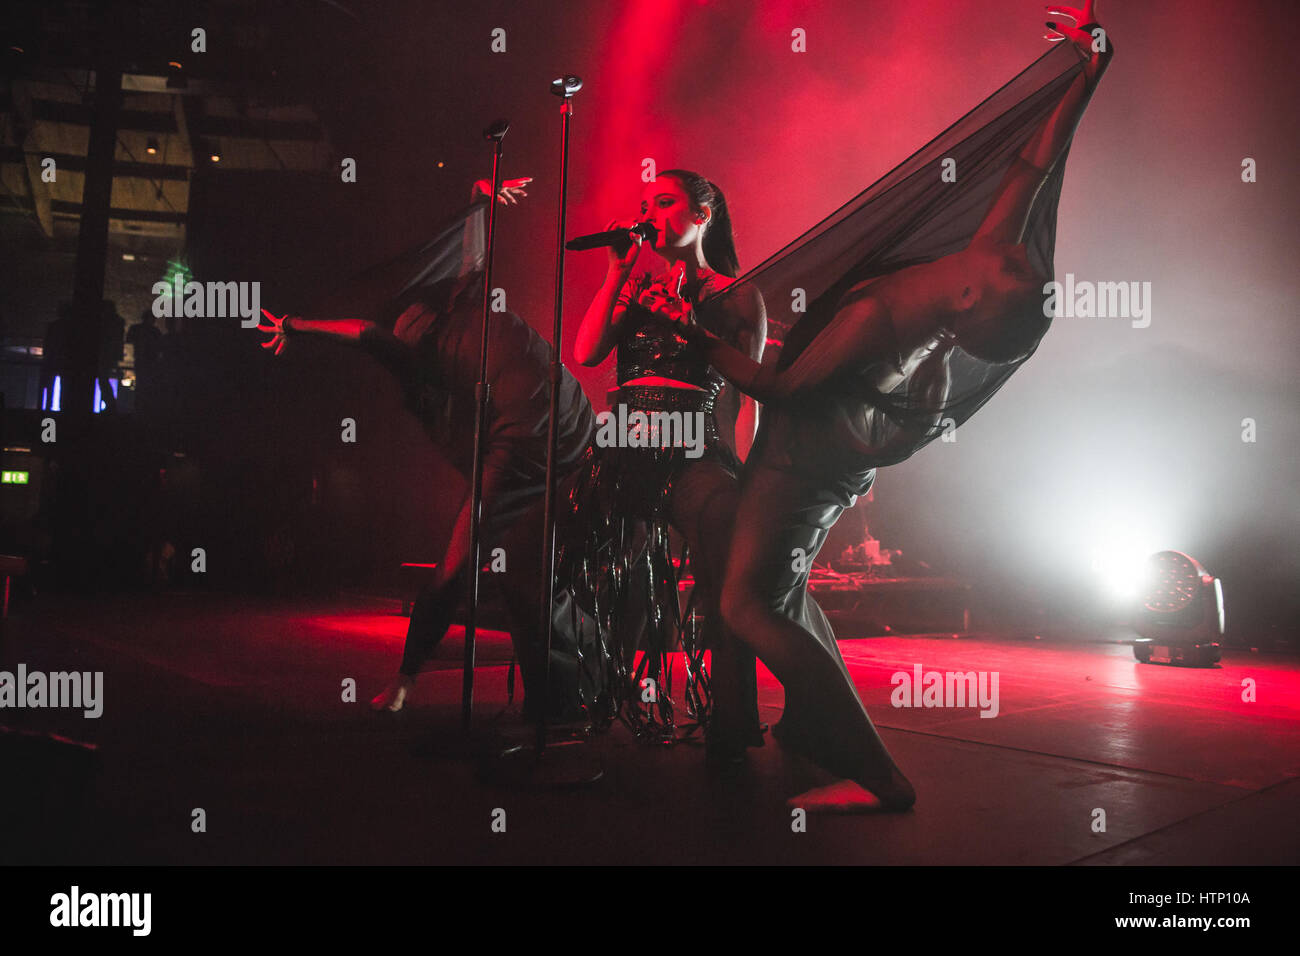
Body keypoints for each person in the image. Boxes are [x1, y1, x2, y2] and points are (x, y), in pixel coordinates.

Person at [643, 4, 1114, 807]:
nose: (1027, 264)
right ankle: (812, 729)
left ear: (971, 300)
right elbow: (1035, 166)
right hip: (831, 452)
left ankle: (878, 775)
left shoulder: (880, 322)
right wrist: (1090, 69)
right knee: (784, 595)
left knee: (748, 605)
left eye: (1021, 279)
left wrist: (693, 340)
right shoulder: (984, 261)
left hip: (801, 464)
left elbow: (783, 388)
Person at [259, 176, 598, 720]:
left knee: (521, 573)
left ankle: (572, 684)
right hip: (521, 443)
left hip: (571, 422)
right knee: (490, 571)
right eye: (402, 322)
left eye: (415, 313)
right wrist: (297, 326)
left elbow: (471, 248)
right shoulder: (407, 354)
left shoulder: (464, 297)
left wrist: (481, 195)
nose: (411, 321)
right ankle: (421, 680)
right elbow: (359, 329)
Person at [569, 169, 766, 757]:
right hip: (627, 441)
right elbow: (585, 353)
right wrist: (616, 273)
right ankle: (596, 696)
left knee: (720, 550)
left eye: (664, 201)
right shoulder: (634, 287)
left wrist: (751, 478)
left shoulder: (737, 295)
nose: (651, 212)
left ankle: (733, 720)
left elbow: (750, 395)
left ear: (703, 214)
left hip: (694, 445)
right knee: (602, 561)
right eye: (645, 204)